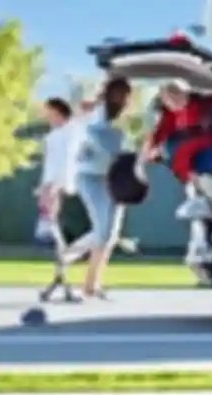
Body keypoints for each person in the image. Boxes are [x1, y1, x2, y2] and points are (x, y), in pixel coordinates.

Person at [140, 79, 212, 219]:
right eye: (166, 97)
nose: (171, 100)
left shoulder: (207, 109)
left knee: (183, 153)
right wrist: (152, 149)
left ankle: (203, 198)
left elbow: (200, 141)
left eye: (174, 94)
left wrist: (186, 173)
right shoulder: (171, 116)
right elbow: (160, 135)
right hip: (198, 161)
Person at [70, 77, 132, 299]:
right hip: (91, 176)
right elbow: (97, 137)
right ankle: (67, 256)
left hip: (113, 177)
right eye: (120, 94)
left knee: (111, 233)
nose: (123, 99)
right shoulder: (99, 113)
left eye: (126, 95)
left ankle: (93, 284)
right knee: (102, 230)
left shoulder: (120, 117)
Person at [35, 97, 75, 247]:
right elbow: (49, 160)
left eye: (50, 112)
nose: (47, 116)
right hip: (51, 177)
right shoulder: (53, 135)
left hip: (60, 177)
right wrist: (44, 183)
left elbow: (68, 158)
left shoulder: (70, 131)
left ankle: (51, 236)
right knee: (46, 206)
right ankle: (50, 235)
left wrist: (59, 181)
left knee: (50, 205)